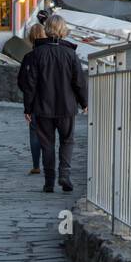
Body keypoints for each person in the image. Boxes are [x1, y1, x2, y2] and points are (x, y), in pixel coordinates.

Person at [17, 14, 88, 194]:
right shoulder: (70, 54)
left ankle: (49, 181)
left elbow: (29, 84)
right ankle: (64, 175)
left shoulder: (36, 54)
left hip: (43, 107)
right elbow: (79, 81)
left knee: (47, 143)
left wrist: (28, 108)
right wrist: (84, 102)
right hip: (66, 107)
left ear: (47, 29)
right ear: (63, 30)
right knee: (67, 141)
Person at [23, 23, 47, 176]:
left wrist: (27, 107)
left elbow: (23, 82)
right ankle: (49, 164)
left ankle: (36, 165)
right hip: (50, 99)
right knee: (49, 133)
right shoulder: (49, 54)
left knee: (34, 133)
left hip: (35, 101)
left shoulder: (29, 57)